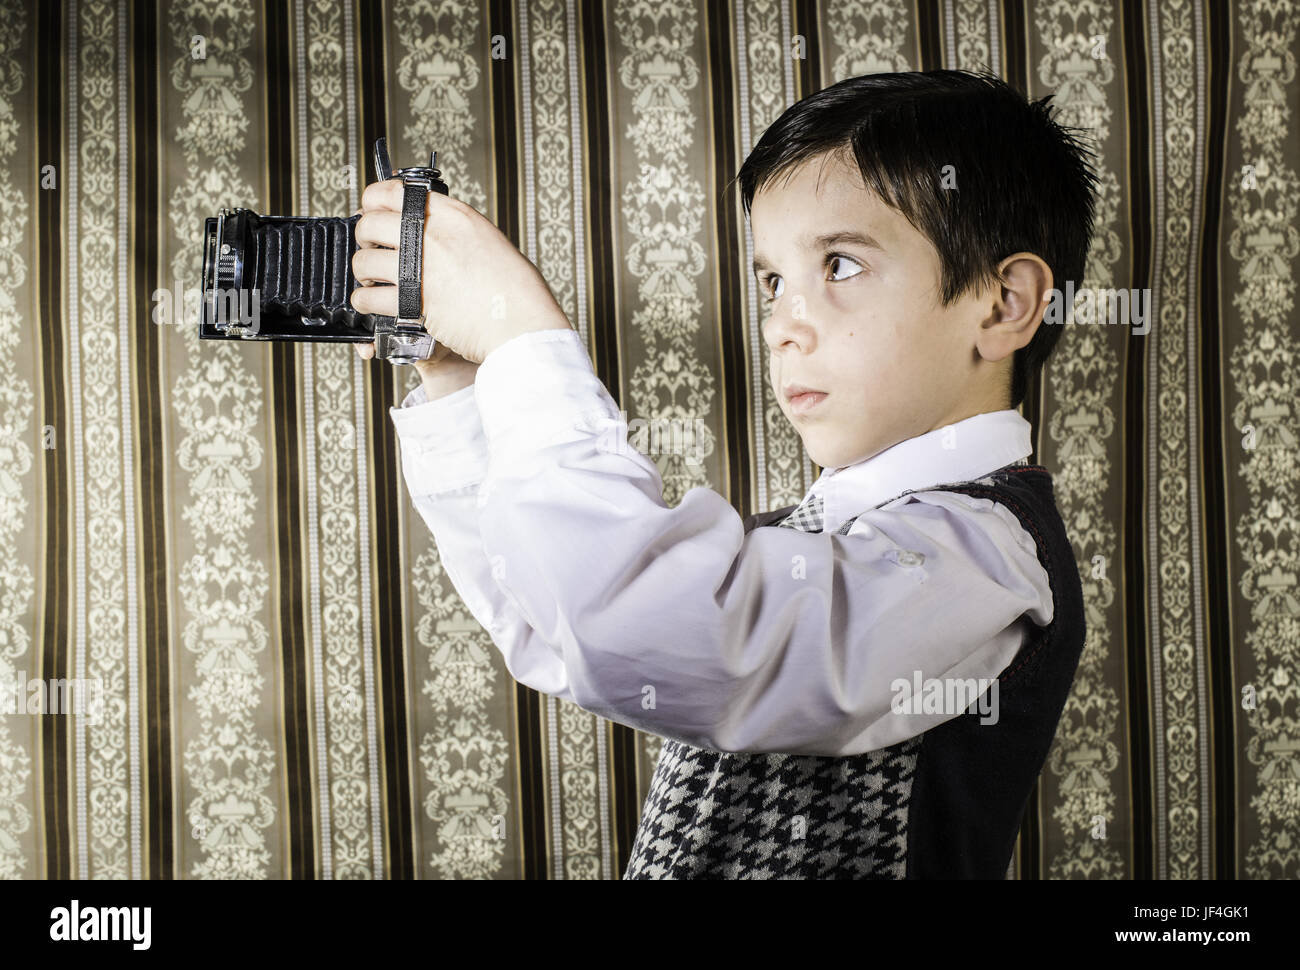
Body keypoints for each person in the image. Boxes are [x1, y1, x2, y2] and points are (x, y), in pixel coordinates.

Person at [348, 68, 1099, 879]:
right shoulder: (806, 538)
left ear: (1003, 304)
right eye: (773, 281)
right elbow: (556, 628)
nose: (783, 325)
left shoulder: (984, 554)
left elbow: (651, 621)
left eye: (840, 266)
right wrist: (463, 384)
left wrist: (525, 340)